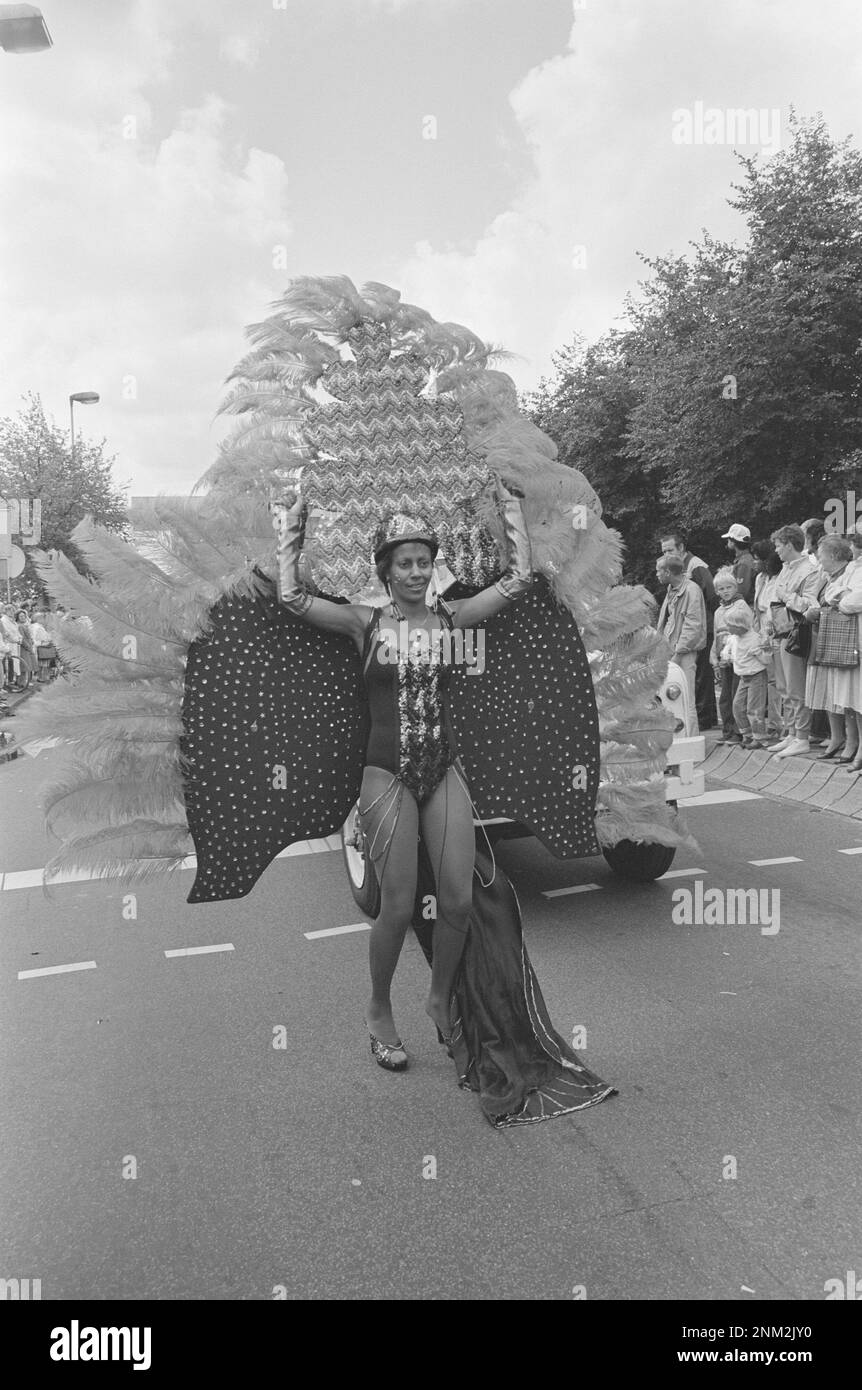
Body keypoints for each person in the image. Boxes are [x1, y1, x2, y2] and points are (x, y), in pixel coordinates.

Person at [270, 476, 617, 1124]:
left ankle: (437, 998)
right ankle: (379, 1010)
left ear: (433, 568)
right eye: (402, 561)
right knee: (397, 904)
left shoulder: (452, 618)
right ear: (385, 568)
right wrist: (291, 522)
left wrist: (512, 509)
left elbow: (515, 583)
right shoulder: (363, 622)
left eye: (423, 561)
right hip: (385, 775)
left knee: (457, 897)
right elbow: (291, 599)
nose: (413, 570)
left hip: (443, 769)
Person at [768, 525, 822, 758]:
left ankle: (802, 736)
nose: (777, 550)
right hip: (781, 630)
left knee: (796, 686)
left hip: (797, 632)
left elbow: (809, 606)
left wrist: (786, 596)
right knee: (784, 686)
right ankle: (791, 732)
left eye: (779, 546)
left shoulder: (810, 571)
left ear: (789, 544)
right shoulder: (786, 568)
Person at [802, 535, 854, 760]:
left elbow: (843, 606)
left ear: (833, 555)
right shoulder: (826, 576)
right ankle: (836, 737)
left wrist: (818, 611)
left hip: (840, 640)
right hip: (823, 637)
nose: (818, 559)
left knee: (842, 694)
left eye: (821, 555)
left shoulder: (848, 575)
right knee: (828, 692)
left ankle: (847, 739)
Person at [660, 530, 718, 730]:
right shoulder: (673, 581)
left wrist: (710, 626)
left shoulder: (696, 566)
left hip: (701, 631)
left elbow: (712, 597)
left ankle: (703, 721)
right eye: (664, 551)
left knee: (699, 681)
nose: (666, 554)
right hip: (683, 639)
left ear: (681, 548)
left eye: (669, 550)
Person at [655, 555, 707, 735]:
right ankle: (674, 738)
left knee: (686, 697)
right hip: (669, 650)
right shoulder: (672, 589)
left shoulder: (692, 590)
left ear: (668, 572)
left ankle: (691, 740)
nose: (656, 574)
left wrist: (678, 653)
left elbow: (693, 625)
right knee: (668, 695)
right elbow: (667, 622)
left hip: (683, 652)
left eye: (658, 570)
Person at [832, 525, 862, 772]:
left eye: (853, 543)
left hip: (858, 638)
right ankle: (855, 744)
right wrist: (844, 596)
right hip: (852, 641)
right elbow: (833, 591)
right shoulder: (852, 568)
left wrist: (844, 598)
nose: (850, 548)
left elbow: (854, 601)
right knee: (854, 699)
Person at [724, 600, 772, 747]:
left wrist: (759, 654)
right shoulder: (734, 638)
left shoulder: (755, 639)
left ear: (740, 626)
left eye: (730, 626)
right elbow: (728, 650)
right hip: (743, 677)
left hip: (756, 676)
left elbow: (767, 660)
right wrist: (726, 655)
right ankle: (747, 734)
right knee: (737, 706)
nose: (728, 628)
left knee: (754, 709)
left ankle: (759, 737)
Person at [751, 540, 784, 741]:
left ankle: (778, 724)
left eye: (757, 559)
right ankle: (770, 722)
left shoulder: (780, 578)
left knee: (777, 681)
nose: (754, 563)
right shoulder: (760, 579)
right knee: (766, 679)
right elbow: (757, 608)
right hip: (761, 632)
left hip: (776, 632)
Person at [710, 568, 745, 743]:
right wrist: (714, 657)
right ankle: (727, 730)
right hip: (724, 658)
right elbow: (716, 635)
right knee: (724, 697)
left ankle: (739, 731)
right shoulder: (718, 612)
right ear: (717, 591)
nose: (725, 592)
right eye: (721, 589)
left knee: (736, 695)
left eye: (728, 587)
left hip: (738, 657)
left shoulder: (740, 606)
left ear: (735, 587)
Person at [721, 523, 756, 605]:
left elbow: (742, 592)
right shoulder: (744, 559)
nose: (727, 541)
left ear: (733, 542)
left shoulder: (743, 563)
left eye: (729, 539)